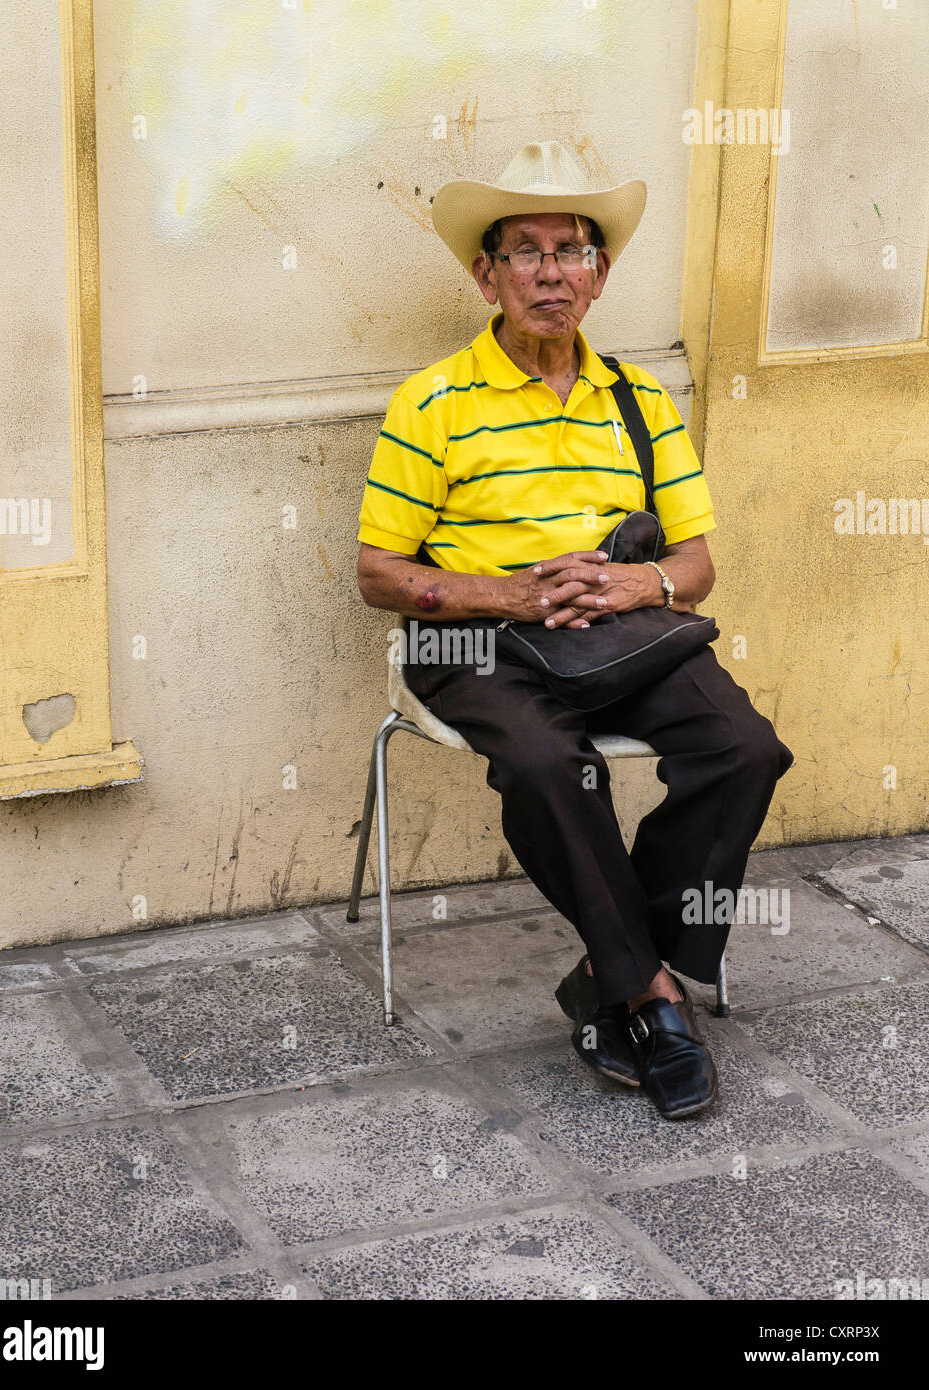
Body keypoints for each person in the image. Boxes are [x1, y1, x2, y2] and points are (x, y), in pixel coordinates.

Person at [355, 141, 793, 1119]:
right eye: (526, 252)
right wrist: (511, 596)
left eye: (573, 252)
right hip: (469, 637)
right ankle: (650, 994)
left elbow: (695, 564)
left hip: (613, 632)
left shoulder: (637, 400)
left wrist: (637, 581)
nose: (552, 273)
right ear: (486, 274)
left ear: (598, 274)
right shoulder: (431, 402)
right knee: (555, 766)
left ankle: (607, 976)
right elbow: (379, 575)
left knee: (743, 748)